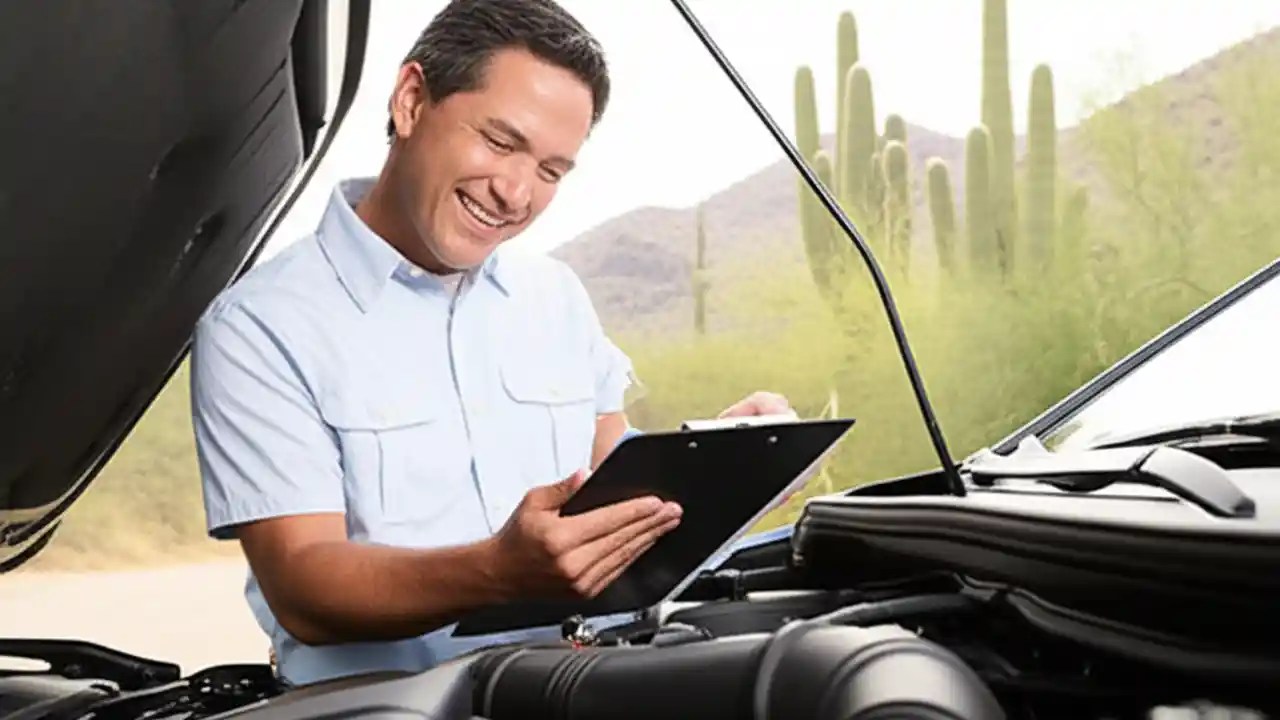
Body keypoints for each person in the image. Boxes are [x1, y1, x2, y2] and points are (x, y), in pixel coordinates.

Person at [189, 0, 793, 688]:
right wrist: (497, 572)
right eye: (501, 143)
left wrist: (714, 470)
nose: (515, 192)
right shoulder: (258, 326)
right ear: (412, 101)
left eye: (551, 170)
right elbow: (305, 587)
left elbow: (610, 490)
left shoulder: (557, 297)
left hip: (582, 690)